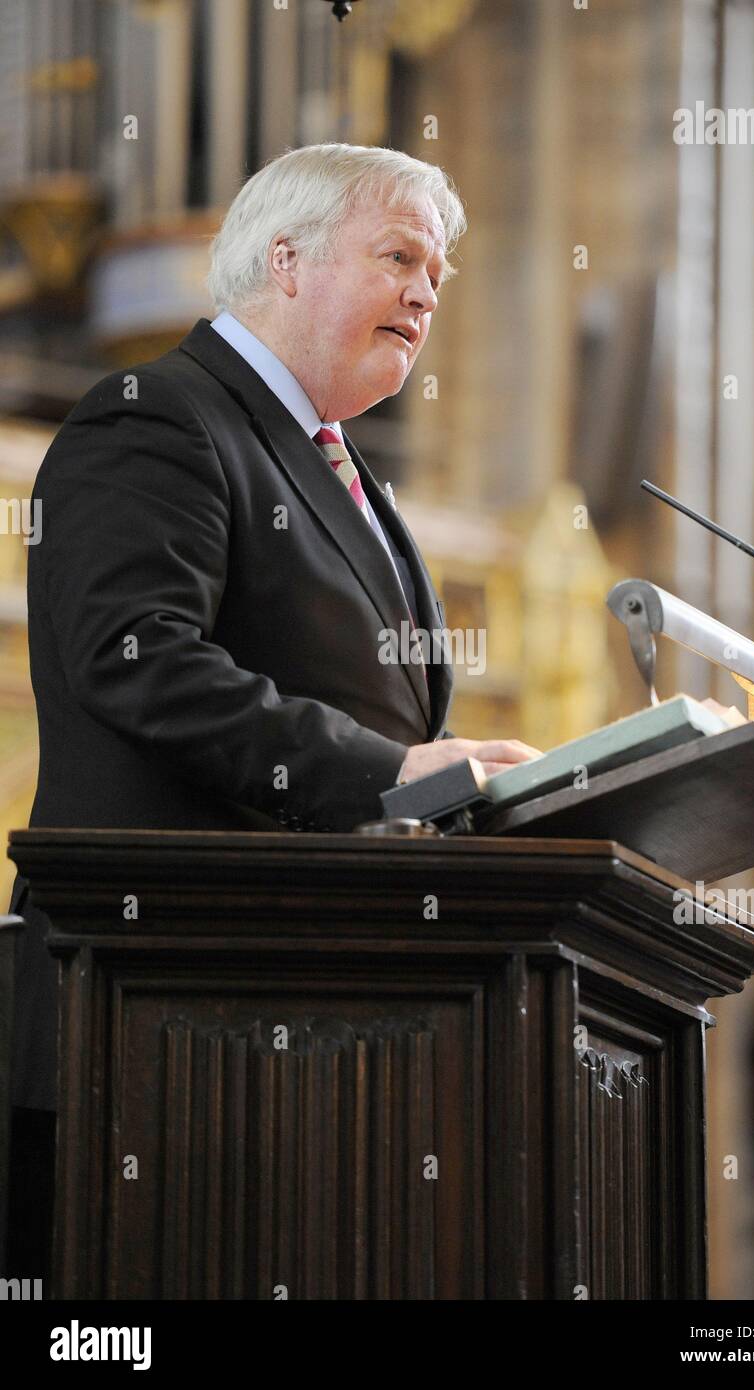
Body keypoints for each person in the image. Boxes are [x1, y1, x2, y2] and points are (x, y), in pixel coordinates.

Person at [5, 143, 541, 1278]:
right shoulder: (157, 417)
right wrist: (392, 773)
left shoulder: (354, 479)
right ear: (286, 261)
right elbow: (139, 660)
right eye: (398, 257)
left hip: (318, 1026)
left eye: (436, 276)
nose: (425, 294)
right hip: (153, 1011)